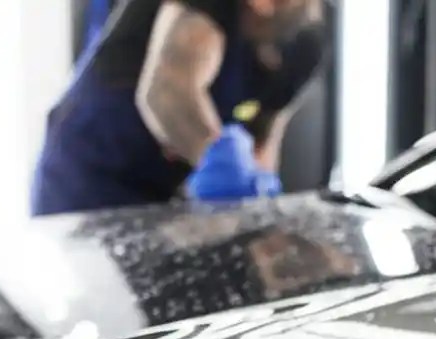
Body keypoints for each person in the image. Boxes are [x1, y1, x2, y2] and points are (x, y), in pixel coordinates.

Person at [32, 0, 325, 216]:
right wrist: (222, 162)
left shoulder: (307, 40)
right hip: (91, 169)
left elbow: (264, 137)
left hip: (171, 190)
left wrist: (260, 210)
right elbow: (168, 92)